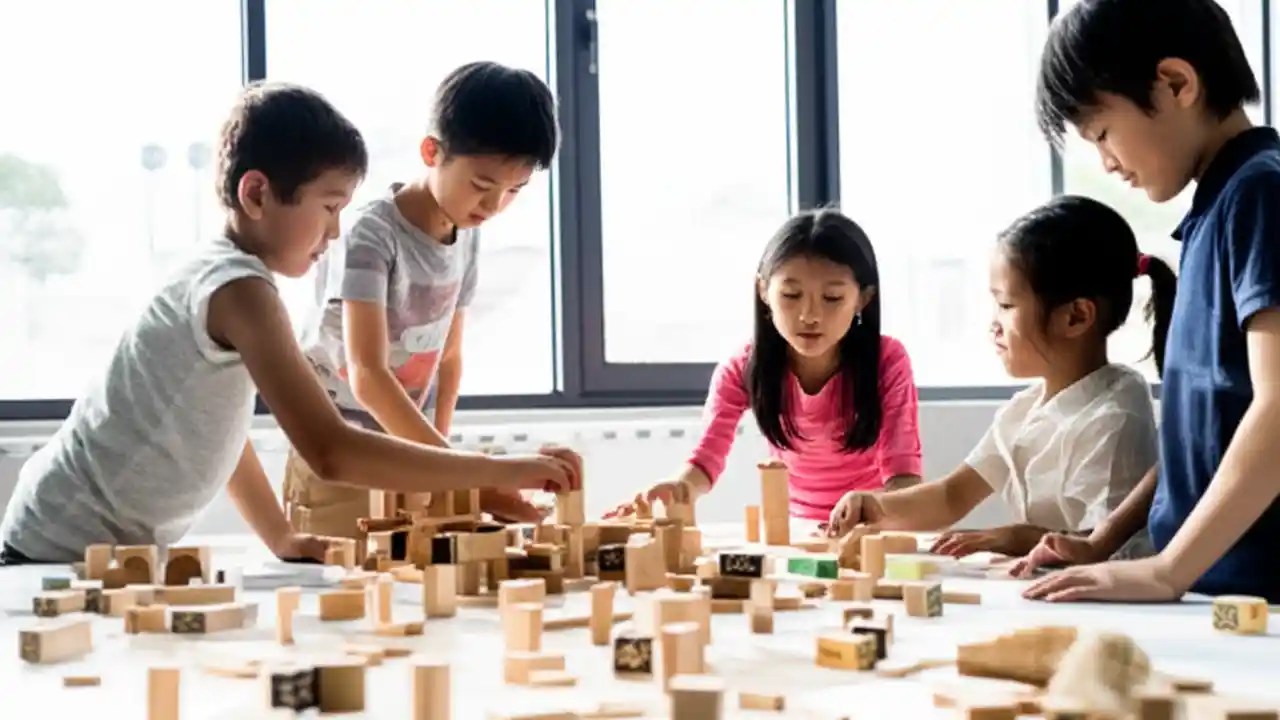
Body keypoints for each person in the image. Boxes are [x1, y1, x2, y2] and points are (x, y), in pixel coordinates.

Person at [0, 82, 578, 566]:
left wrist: (280, 536)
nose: (334, 233)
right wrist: (497, 472)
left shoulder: (236, 281)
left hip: (86, 541)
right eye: (328, 208)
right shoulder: (241, 292)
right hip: (59, 543)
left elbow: (221, 433)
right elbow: (329, 450)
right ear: (257, 194)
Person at [1016, 0, 1280, 603]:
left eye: (1103, 133)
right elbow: (1208, 434)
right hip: (1212, 588)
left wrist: (1166, 571)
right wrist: (1104, 539)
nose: (1106, 162)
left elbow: (1278, 409)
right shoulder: (1215, 209)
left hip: (1258, 598)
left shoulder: (1260, 194)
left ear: (1176, 83)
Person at [286, 61, 560, 536]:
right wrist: (465, 475)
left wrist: (444, 463)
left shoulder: (468, 235)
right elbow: (368, 374)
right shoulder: (373, 235)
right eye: (481, 184)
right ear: (431, 151)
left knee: (417, 588)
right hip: (341, 457)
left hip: (412, 454)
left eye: (515, 190)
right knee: (342, 591)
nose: (493, 206)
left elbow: (449, 359)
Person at [826, 196, 1173, 562]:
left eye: (1006, 306)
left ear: (1076, 317)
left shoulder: (1115, 415)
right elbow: (951, 496)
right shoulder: (1024, 409)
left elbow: (1104, 545)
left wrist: (1012, 537)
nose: (994, 324)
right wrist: (876, 507)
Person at [606, 208, 923, 523]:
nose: (809, 315)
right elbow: (706, 458)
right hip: (797, 528)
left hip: (873, 523)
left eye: (832, 298)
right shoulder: (743, 367)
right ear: (764, 292)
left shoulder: (887, 361)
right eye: (791, 294)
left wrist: (883, 515)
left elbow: (903, 471)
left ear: (862, 300)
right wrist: (679, 487)